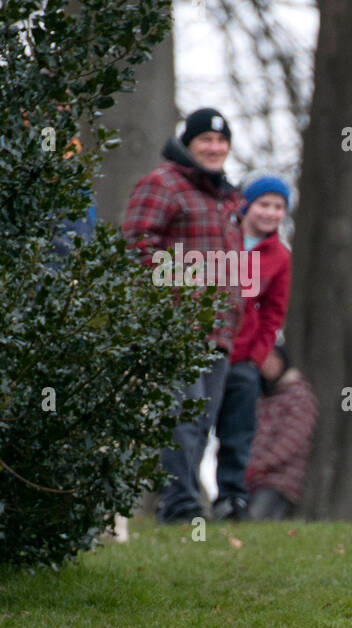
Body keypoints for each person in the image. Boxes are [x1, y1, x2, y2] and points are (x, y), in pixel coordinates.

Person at [122, 108, 244, 523]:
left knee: (203, 424)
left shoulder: (227, 196)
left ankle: (187, 504)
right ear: (188, 144)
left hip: (220, 331)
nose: (214, 148)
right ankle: (179, 508)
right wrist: (186, 287)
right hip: (178, 328)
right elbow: (137, 247)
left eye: (221, 141)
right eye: (205, 141)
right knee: (181, 420)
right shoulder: (163, 183)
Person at [212, 174, 293, 521]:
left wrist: (256, 356)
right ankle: (179, 498)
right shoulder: (219, 238)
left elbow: (274, 311)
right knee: (194, 425)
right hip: (207, 348)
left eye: (279, 207)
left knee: (238, 431)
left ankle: (231, 500)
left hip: (243, 359)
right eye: (264, 204)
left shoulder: (279, 257)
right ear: (247, 205)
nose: (271, 213)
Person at [243, 346, 318, 520]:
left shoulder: (299, 396)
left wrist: (258, 466)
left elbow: (290, 440)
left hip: (279, 481)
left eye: (273, 358)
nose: (267, 364)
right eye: (264, 359)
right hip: (250, 480)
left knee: (254, 521)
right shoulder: (259, 396)